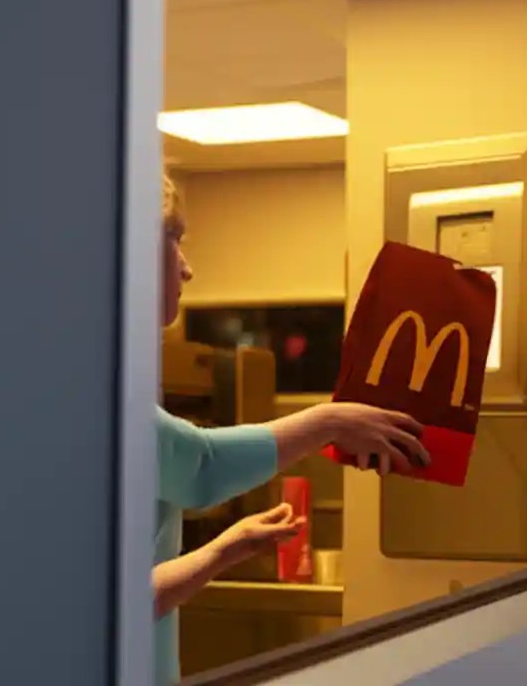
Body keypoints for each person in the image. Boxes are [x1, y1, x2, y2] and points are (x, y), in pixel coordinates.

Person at [151, 175, 429, 685]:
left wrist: (225, 548)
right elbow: (202, 465)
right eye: (175, 240)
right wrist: (330, 421)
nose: (187, 267)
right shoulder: (88, 389)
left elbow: (126, 601)